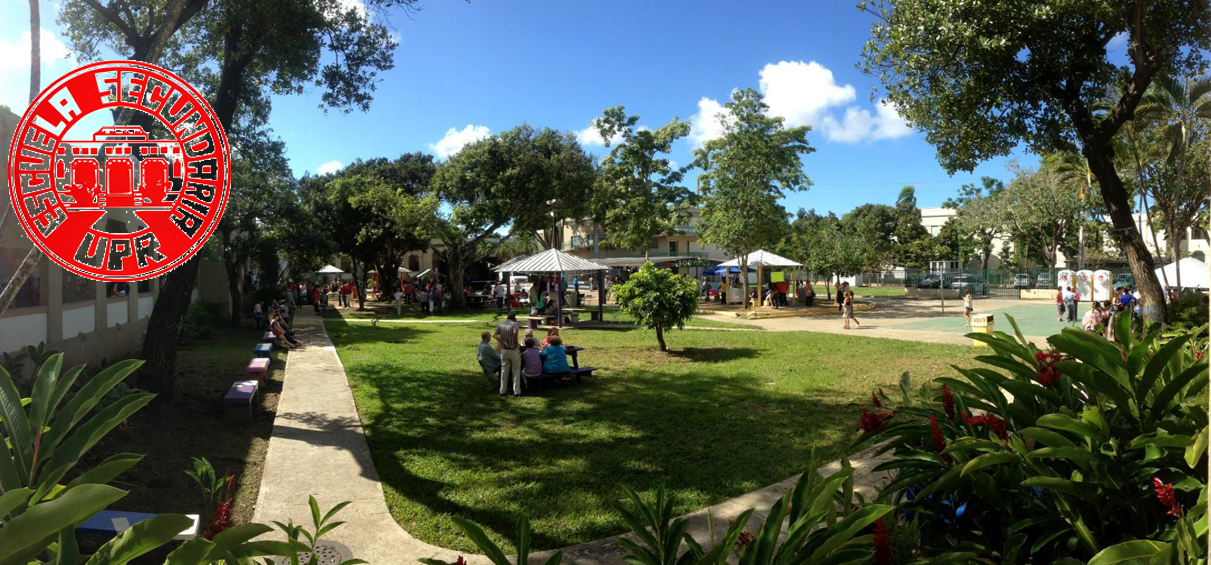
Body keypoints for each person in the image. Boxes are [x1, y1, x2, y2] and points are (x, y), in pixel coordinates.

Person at [493, 312, 523, 396]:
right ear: (514, 318)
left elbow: (495, 335)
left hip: (504, 350)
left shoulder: (501, 324)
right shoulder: (515, 324)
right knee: (516, 370)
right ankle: (516, 391)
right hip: (513, 350)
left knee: (504, 371)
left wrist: (503, 342)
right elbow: (515, 332)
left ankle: (502, 391)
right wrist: (516, 343)